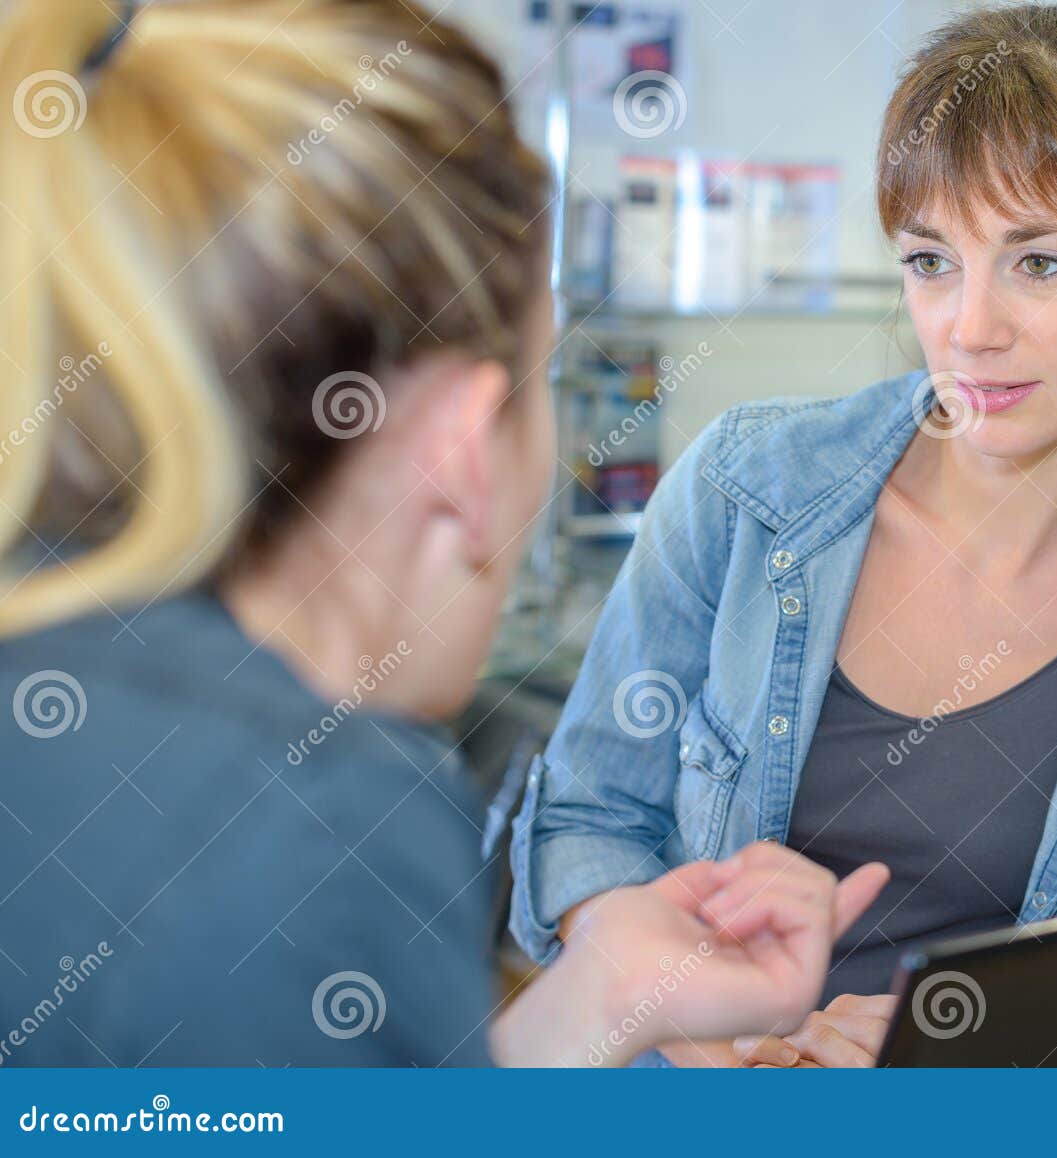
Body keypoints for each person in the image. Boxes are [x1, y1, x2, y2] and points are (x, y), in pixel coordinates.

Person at [0, 0, 885, 1068]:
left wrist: (603, 991)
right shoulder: (313, 824)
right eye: (544, 378)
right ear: (467, 447)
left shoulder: (84, 706)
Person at [511, 3, 1057, 1068]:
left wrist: (978, 1056)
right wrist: (671, 994)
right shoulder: (742, 492)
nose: (969, 328)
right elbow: (584, 820)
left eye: (1038, 263)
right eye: (931, 261)